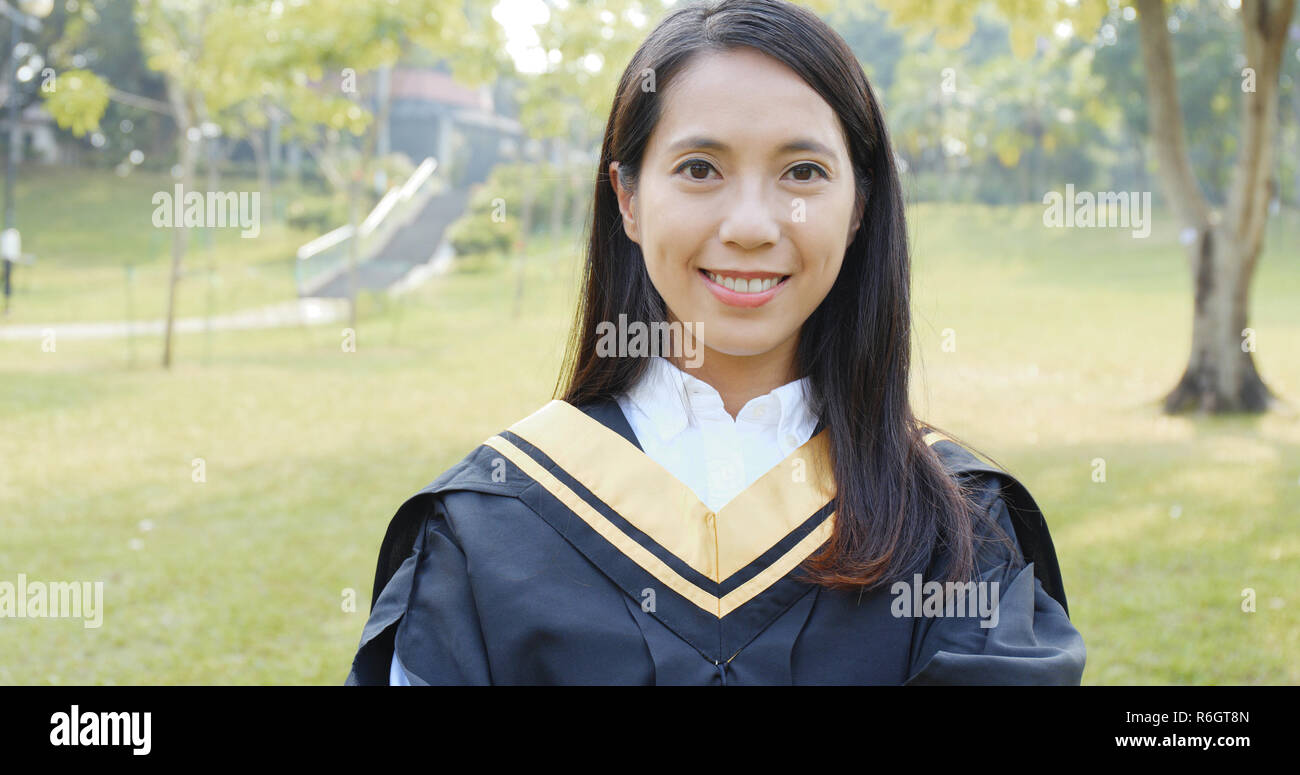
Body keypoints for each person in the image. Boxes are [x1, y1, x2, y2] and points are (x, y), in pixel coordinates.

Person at [346, 0, 1085, 685]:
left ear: (859, 206)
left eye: (803, 171)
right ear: (628, 198)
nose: (751, 224)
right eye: (700, 169)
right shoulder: (486, 528)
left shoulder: (960, 530)